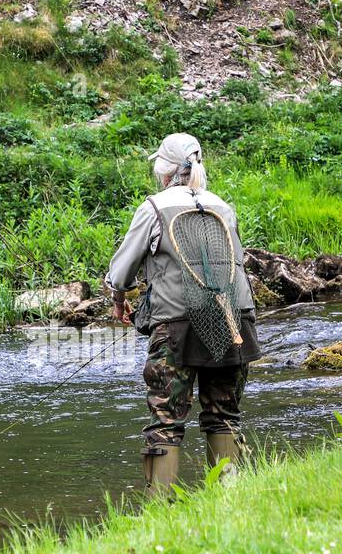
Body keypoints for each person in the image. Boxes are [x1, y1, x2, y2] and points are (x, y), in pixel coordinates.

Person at [105, 133, 262, 494]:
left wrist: (118, 299)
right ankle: (230, 502)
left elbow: (121, 273)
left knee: (166, 419)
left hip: (177, 327)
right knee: (224, 416)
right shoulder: (223, 205)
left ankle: (162, 513)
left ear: (164, 170)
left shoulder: (154, 207)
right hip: (234, 321)